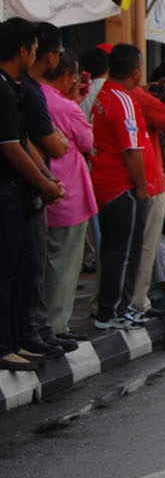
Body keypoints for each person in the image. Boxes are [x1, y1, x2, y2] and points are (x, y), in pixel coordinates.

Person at [0, 19, 63, 372]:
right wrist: (44, 183)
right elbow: (11, 149)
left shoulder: (15, 87)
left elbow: (24, 143)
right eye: (35, 49)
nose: (37, 55)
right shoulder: (4, 90)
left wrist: (45, 179)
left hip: (19, 192)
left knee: (23, 268)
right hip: (7, 192)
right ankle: (5, 343)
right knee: (7, 271)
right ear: (23, 50)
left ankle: (17, 338)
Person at [90, 44, 155, 333]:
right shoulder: (122, 99)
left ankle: (114, 308)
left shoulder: (103, 95)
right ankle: (115, 310)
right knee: (125, 252)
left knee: (115, 251)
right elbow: (132, 149)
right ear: (136, 70)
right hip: (120, 186)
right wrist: (142, 188)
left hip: (105, 184)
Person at [20, 23, 75, 357]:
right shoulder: (28, 90)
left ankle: (40, 329)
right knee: (32, 266)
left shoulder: (24, 88)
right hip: (33, 192)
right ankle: (35, 330)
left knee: (36, 265)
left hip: (40, 189)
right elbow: (51, 145)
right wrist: (45, 181)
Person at [39, 48, 98, 342]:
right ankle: (56, 325)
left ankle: (47, 324)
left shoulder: (36, 97)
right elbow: (88, 140)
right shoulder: (65, 107)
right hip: (68, 194)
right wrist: (75, 102)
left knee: (48, 265)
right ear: (66, 75)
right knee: (63, 267)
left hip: (45, 192)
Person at [128, 61, 165, 324]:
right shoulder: (137, 98)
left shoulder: (120, 96)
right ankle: (137, 302)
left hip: (142, 182)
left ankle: (130, 301)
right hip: (148, 183)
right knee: (146, 245)